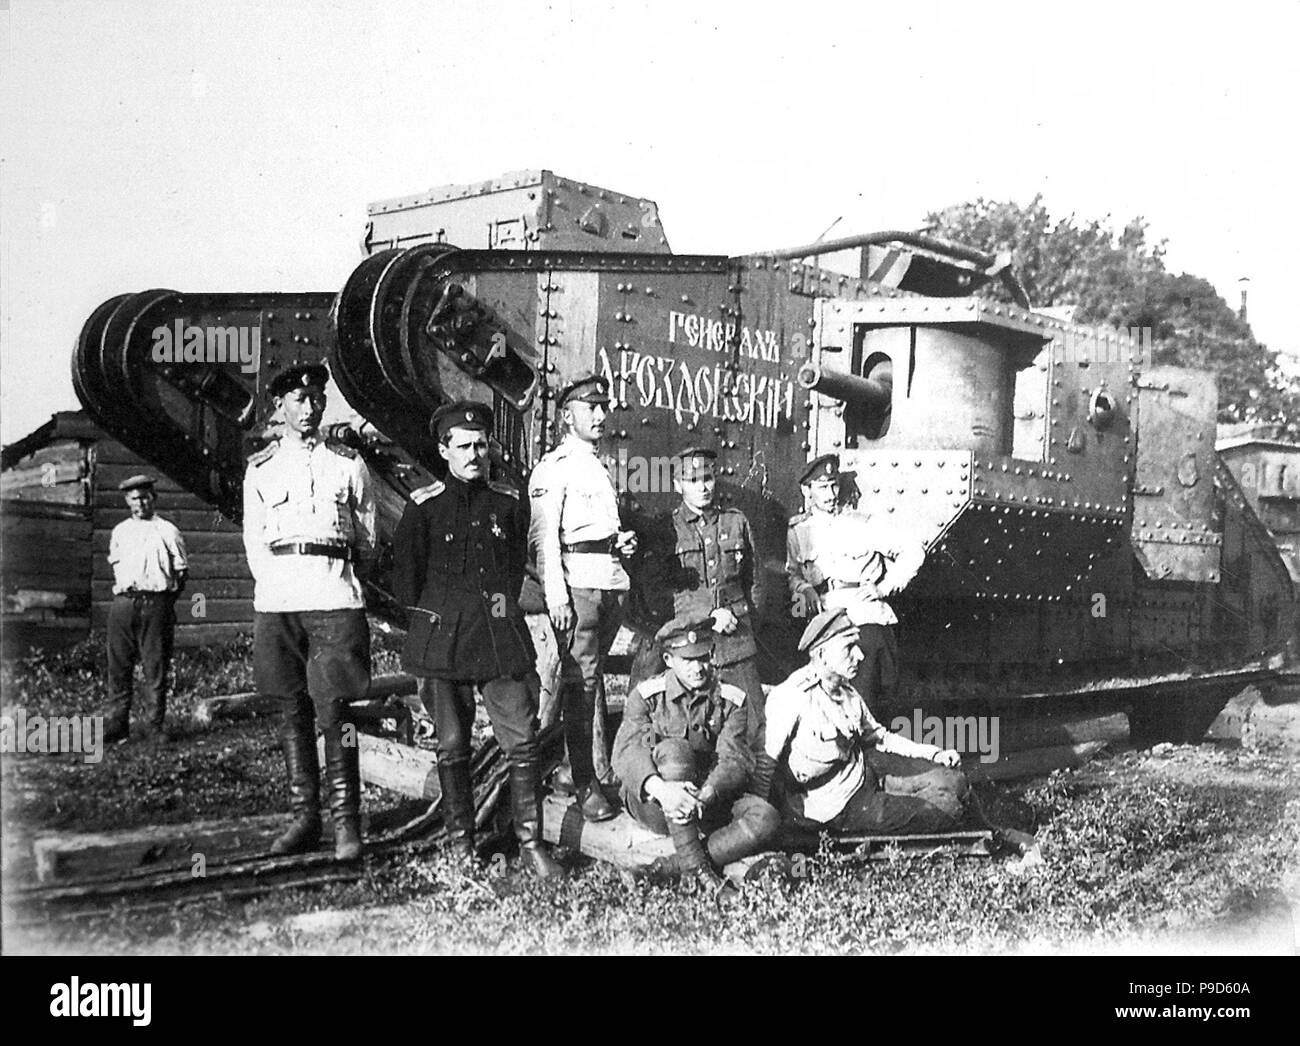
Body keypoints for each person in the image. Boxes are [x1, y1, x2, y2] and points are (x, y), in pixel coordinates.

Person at [392, 400, 561, 878]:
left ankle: (531, 845)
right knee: (452, 745)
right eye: (464, 446)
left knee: (522, 741)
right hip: (441, 639)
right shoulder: (424, 507)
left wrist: (498, 614)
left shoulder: (507, 502)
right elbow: (406, 582)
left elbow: (511, 572)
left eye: (481, 445)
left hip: (496, 637)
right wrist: (436, 619)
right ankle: (462, 845)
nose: (474, 454)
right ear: (444, 450)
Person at [242, 363, 376, 861]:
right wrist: (276, 585)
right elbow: (254, 542)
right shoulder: (261, 468)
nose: (310, 407)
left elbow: (367, 536)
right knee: (290, 707)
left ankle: (347, 823)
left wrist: (339, 577)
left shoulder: (347, 463)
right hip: (280, 600)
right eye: (299, 400)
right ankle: (305, 818)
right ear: (279, 406)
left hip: (334, 597)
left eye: (317, 398)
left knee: (337, 710)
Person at [753, 608, 967, 835]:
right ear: (822, 655)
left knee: (955, 781)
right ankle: (917, 802)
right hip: (836, 802)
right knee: (948, 809)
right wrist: (759, 821)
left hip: (863, 769)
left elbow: (880, 737)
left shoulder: (846, 690)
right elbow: (765, 764)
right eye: (849, 648)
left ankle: (913, 797)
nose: (860, 656)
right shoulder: (792, 696)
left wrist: (934, 754)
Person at [528, 373, 636, 822]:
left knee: (589, 682)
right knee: (582, 685)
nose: (601, 414)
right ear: (567, 416)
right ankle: (584, 784)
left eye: (603, 406)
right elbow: (545, 540)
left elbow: (596, 531)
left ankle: (572, 772)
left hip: (609, 582)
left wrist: (620, 543)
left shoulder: (600, 466)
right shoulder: (553, 468)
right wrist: (557, 597)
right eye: (591, 407)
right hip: (578, 589)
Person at [612, 616, 781, 895]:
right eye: (687, 660)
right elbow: (630, 749)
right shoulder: (648, 697)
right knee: (675, 751)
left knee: (766, 817)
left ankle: (665, 868)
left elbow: (733, 759)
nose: (697, 667)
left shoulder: (730, 699)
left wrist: (707, 793)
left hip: (703, 800)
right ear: (668, 659)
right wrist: (663, 791)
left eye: (703, 657)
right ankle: (700, 871)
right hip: (655, 803)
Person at [630, 446, 766, 745]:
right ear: (678, 485)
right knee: (685, 731)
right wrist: (709, 615)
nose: (703, 487)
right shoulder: (667, 529)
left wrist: (742, 624)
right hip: (688, 645)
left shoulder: (736, 522)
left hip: (736, 642)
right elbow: (659, 592)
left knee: (755, 728)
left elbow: (754, 583)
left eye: (707, 478)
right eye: (693, 481)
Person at [785, 454, 925, 711]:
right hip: (826, 623)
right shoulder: (798, 531)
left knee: (864, 702)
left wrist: (883, 588)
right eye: (822, 487)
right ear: (807, 490)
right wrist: (804, 588)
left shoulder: (863, 525)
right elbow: (793, 573)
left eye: (834, 485)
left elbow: (913, 551)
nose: (831, 494)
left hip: (864, 620)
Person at [103, 475, 188, 743]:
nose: (140, 503)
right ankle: (117, 724)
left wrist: (164, 603)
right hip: (124, 604)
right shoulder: (120, 532)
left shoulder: (168, 531)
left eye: (145, 498)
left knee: (155, 666)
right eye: (134, 499)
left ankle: (153, 726)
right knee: (118, 666)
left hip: (156, 603)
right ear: (127, 501)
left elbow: (181, 573)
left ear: (154, 498)